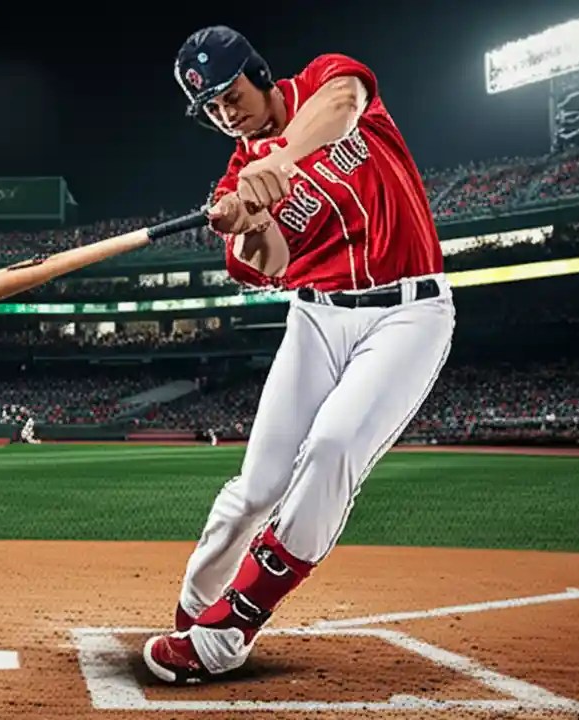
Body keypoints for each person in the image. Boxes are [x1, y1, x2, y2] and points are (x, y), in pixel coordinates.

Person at [144, 26, 455, 684]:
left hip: (409, 311)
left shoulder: (323, 79)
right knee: (255, 488)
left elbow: (344, 102)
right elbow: (270, 265)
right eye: (213, 108)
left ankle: (232, 627)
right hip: (318, 316)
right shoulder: (233, 181)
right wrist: (249, 221)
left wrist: (279, 159)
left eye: (233, 93)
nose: (228, 113)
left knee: (333, 446)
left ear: (258, 73)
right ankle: (196, 612)